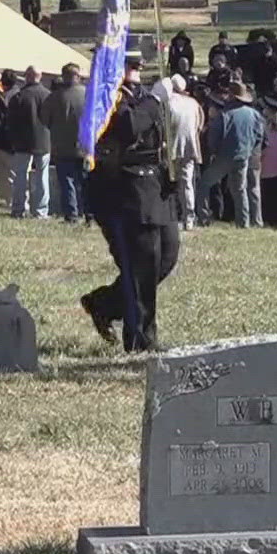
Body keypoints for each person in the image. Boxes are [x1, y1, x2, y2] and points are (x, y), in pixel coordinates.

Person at [81, 52, 179, 352]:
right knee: (140, 270)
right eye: (130, 63)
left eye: (139, 63)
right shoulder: (104, 93)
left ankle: (105, 303)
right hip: (125, 191)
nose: (138, 68)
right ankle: (141, 342)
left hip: (155, 188)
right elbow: (129, 127)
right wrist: (155, 100)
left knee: (166, 258)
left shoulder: (138, 94)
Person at [198, 82, 264, 228]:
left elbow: (213, 138)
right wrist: (248, 149)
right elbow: (259, 136)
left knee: (204, 183)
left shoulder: (225, 115)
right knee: (240, 190)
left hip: (224, 157)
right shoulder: (254, 114)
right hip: (244, 156)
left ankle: (202, 217)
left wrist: (214, 152)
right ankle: (243, 223)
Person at [4, 66, 52, 218]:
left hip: (22, 142)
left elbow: (10, 121)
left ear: (26, 77)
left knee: (20, 177)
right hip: (44, 141)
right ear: (40, 76)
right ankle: (40, 210)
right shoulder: (48, 96)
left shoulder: (18, 97)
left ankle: (18, 208)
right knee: (42, 176)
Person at [43, 64, 88, 223]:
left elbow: (44, 119)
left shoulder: (54, 97)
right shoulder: (88, 94)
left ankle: (72, 215)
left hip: (62, 146)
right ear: (78, 75)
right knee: (85, 182)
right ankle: (89, 214)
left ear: (63, 76)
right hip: (86, 146)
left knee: (67, 181)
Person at [165, 73, 203, 229]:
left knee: (170, 183)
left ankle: (174, 216)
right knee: (187, 183)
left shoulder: (167, 103)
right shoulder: (194, 103)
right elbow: (200, 124)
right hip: (190, 147)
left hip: (171, 148)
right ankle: (189, 218)